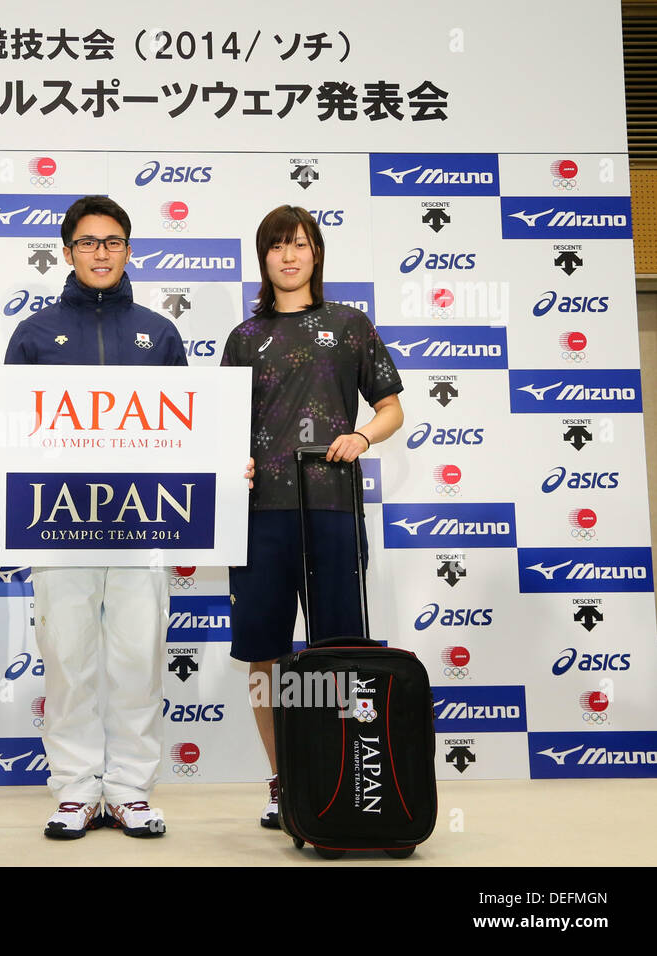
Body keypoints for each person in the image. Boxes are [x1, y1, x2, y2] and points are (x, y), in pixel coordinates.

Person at [0, 195, 194, 839]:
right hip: (57, 518)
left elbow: (192, 432)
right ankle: (73, 787)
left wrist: (213, 492)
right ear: (67, 252)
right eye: (87, 242)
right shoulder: (35, 333)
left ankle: (129, 788)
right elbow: (9, 425)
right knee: (66, 654)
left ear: (128, 249)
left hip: (145, 520)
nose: (100, 252)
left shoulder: (160, 333)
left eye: (112, 241)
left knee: (138, 655)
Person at [221, 204, 403, 829]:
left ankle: (341, 772)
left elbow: (390, 408)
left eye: (300, 244)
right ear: (263, 258)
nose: (289, 256)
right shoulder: (245, 337)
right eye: (277, 246)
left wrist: (364, 437)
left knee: (340, 652)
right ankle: (282, 781)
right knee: (265, 655)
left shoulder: (350, 325)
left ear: (316, 253)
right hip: (261, 513)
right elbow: (224, 428)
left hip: (331, 508)